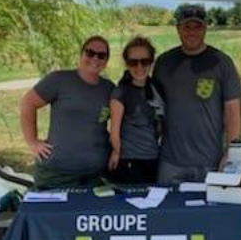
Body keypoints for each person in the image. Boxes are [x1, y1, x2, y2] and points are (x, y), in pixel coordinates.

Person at [153, 4, 241, 184]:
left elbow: (232, 110)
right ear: (178, 29)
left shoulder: (221, 63)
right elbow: (156, 109)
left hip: (209, 162)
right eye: (187, 27)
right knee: (167, 210)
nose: (192, 32)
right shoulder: (163, 63)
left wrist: (231, 153)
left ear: (205, 29)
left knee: (207, 212)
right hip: (170, 161)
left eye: (197, 27)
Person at [19, 35, 115, 189]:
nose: (95, 58)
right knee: (52, 214)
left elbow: (118, 123)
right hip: (56, 174)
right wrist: (33, 142)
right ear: (81, 54)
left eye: (101, 55)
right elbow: (28, 103)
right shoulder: (59, 80)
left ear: (106, 61)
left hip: (94, 175)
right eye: (90, 53)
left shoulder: (109, 89)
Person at [107, 36, 165, 184]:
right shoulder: (121, 92)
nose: (139, 67)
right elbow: (114, 131)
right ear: (127, 64)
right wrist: (116, 153)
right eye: (133, 62)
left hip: (153, 158)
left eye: (144, 61)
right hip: (129, 160)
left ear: (151, 62)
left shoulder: (155, 89)